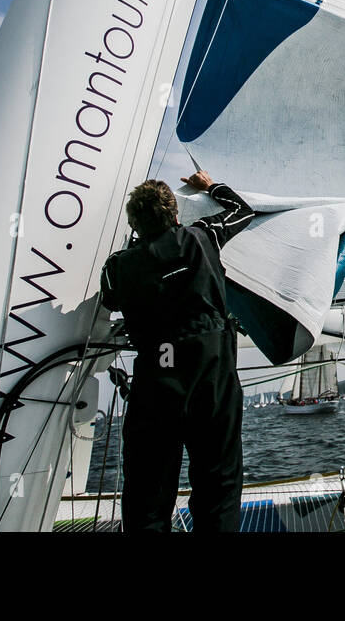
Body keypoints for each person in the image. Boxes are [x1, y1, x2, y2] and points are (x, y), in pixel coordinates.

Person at [99, 169, 255, 532]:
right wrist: (210, 185)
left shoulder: (118, 267)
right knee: (219, 484)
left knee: (147, 495)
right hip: (211, 379)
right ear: (174, 216)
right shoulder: (204, 237)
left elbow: (110, 298)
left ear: (134, 224)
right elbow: (242, 211)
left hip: (157, 383)